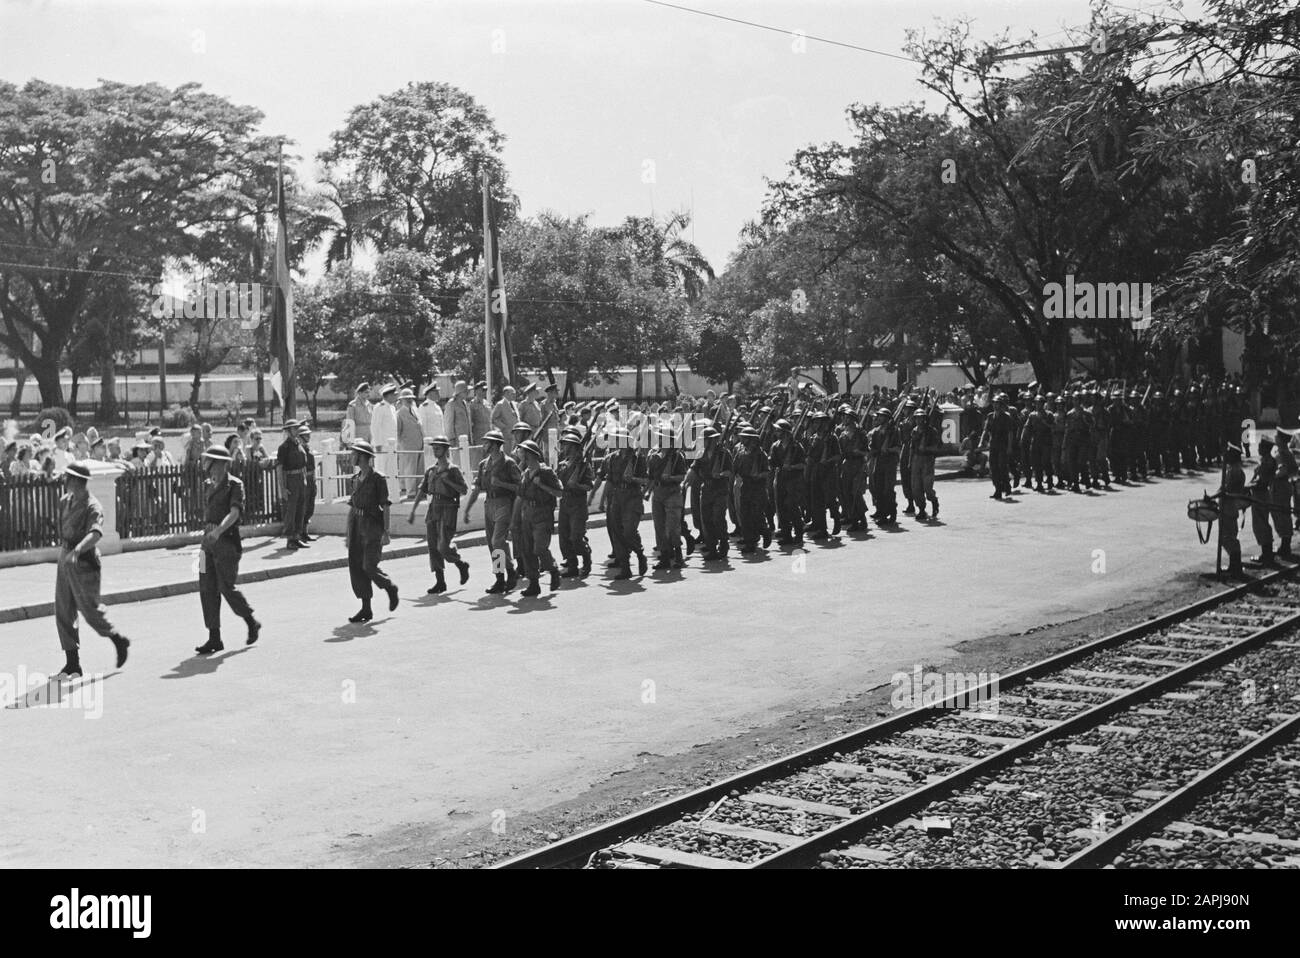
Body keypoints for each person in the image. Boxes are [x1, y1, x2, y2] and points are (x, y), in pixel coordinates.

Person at [52, 461, 130, 679]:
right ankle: (73, 663)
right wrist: (69, 551)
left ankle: (117, 639)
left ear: (77, 480)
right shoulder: (65, 502)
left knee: (89, 610)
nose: (64, 481)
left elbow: (95, 533)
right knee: (63, 609)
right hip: (65, 557)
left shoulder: (92, 506)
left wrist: (78, 549)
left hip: (83, 560)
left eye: (68, 477)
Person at [193, 445, 261, 655]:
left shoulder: (234, 485)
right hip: (206, 543)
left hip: (226, 542)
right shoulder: (207, 484)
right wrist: (208, 533)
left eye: (211, 461)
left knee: (225, 586)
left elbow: (234, 512)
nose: (207, 465)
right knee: (206, 586)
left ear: (222, 463)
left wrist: (220, 530)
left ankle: (251, 621)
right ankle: (214, 637)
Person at [344, 439, 399, 622]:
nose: (351, 457)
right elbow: (352, 507)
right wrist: (348, 532)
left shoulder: (377, 479)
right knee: (357, 568)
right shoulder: (354, 480)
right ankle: (366, 608)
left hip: (372, 526)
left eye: (354, 454)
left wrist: (387, 531)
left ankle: (390, 586)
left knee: (369, 565)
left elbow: (386, 506)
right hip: (356, 526)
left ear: (362, 457)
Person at [408, 436, 471, 594]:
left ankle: (460, 563)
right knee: (432, 547)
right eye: (434, 448)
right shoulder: (431, 470)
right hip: (433, 508)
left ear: (445, 449)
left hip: (448, 508)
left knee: (443, 546)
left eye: (438, 448)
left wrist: (448, 481)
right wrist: (413, 510)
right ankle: (440, 581)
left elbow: (464, 490)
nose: (435, 450)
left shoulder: (453, 470)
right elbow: (422, 490)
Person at [464, 429, 521, 594]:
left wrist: (502, 484)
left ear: (496, 445)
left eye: (487, 442)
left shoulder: (509, 463)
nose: (484, 445)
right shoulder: (484, 464)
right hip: (489, 503)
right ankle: (499, 578)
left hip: (504, 503)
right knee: (492, 545)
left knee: (498, 541)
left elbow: (520, 487)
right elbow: (477, 488)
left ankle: (510, 571)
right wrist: (467, 509)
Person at [514, 439, 564, 596]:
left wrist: (541, 484)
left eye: (523, 451)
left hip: (542, 514)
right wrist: (514, 520)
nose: (520, 454)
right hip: (526, 515)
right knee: (527, 550)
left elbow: (559, 492)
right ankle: (532, 583)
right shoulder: (525, 473)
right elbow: (520, 497)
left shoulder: (545, 472)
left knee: (539, 548)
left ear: (530, 454)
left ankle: (553, 570)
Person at [647, 425, 688, 570]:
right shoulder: (654, 456)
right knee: (659, 527)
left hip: (672, 493)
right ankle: (664, 557)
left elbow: (682, 476)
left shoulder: (677, 457)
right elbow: (651, 476)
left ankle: (678, 557)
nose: (660, 439)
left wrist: (670, 477)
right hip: (658, 493)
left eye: (663, 438)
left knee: (672, 528)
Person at [555, 428, 595, 577]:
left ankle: (586, 559)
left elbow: (589, 485)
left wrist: (577, 485)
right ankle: (572, 566)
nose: (563, 447)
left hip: (578, 503)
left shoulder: (584, 464)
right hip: (565, 501)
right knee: (564, 537)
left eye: (566, 444)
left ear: (572, 446)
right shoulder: (563, 464)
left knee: (576, 537)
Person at [733, 426, 771, 554]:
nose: (741, 439)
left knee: (757, 516)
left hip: (758, 488)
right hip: (746, 487)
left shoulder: (760, 455)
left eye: (744, 437)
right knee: (745, 516)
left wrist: (759, 475)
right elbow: (734, 468)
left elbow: (766, 472)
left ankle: (764, 531)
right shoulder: (741, 453)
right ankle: (750, 543)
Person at [1212, 444, 1248, 578]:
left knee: (1228, 537)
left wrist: (1216, 496)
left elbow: (1227, 489)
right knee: (1228, 536)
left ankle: (1236, 567)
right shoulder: (1233, 469)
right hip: (1227, 506)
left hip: (1229, 506)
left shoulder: (1235, 471)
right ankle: (1235, 566)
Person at [769, 418, 807, 542]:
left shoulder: (796, 446)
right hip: (780, 479)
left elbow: (803, 464)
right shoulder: (775, 446)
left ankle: (799, 532)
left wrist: (791, 467)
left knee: (792, 506)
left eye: (779, 430)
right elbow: (772, 463)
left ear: (785, 432)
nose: (776, 432)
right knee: (781, 507)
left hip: (794, 480)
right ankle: (786, 534)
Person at [275, 419, 309, 549]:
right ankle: (290, 539)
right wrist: (282, 488)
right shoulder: (284, 447)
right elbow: (279, 468)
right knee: (291, 510)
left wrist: (304, 478)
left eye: (297, 428)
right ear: (288, 431)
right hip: (291, 479)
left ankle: (297, 537)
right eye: (294, 428)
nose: (296, 430)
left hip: (301, 479)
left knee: (300, 509)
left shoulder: (298, 444)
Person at [1248, 437, 1278, 566]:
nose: (1258, 448)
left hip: (1261, 495)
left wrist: (1248, 487)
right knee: (1261, 524)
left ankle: (1267, 555)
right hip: (1260, 494)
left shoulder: (1267, 463)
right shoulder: (1266, 461)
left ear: (1266, 449)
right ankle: (1267, 554)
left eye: (1260, 446)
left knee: (1261, 525)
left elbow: (1261, 482)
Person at [980, 393, 1014, 499]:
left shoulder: (1006, 417)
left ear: (1001, 405)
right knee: (993, 468)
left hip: (1003, 445)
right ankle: (998, 490)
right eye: (994, 403)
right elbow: (985, 430)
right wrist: (981, 441)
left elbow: (1010, 433)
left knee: (1002, 466)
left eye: (998, 403)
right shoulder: (990, 416)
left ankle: (1007, 485)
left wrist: (1009, 446)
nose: (995, 405)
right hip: (993, 444)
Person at [395, 388, 424, 498]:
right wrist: (401, 446)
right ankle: (411, 492)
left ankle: (419, 491)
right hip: (407, 445)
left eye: (411, 398)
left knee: (419, 468)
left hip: (419, 443)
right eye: (406, 399)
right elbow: (398, 432)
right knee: (410, 469)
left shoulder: (415, 410)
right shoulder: (399, 413)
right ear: (401, 400)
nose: (409, 400)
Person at [371, 383, 400, 479]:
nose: (396, 396)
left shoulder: (392, 408)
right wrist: (378, 444)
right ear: (388, 396)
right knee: (381, 470)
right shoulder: (379, 407)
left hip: (392, 445)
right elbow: (375, 427)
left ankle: (391, 491)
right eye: (394, 395)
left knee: (392, 470)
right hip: (382, 445)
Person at [418, 383, 445, 467]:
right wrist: (427, 442)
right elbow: (423, 427)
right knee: (431, 465)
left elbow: (442, 426)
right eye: (436, 392)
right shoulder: (423, 407)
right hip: (431, 443)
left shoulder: (437, 407)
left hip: (440, 442)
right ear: (430, 393)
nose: (438, 394)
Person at [298, 423, 317, 540]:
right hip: (304, 479)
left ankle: (305, 532)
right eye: (305, 435)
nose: (308, 436)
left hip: (311, 479)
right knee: (303, 506)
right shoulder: (299, 449)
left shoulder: (308, 449)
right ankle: (300, 532)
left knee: (310, 505)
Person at [445, 380, 473, 448]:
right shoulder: (451, 403)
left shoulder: (465, 403)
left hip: (466, 439)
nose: (468, 393)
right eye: (466, 391)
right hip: (457, 439)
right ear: (460, 392)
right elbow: (449, 422)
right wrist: (451, 438)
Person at [492, 384, 520, 450]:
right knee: (507, 454)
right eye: (512, 393)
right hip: (507, 436)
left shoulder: (514, 404)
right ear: (506, 394)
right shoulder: (500, 404)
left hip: (516, 435)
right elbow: (494, 419)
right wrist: (504, 428)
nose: (514, 395)